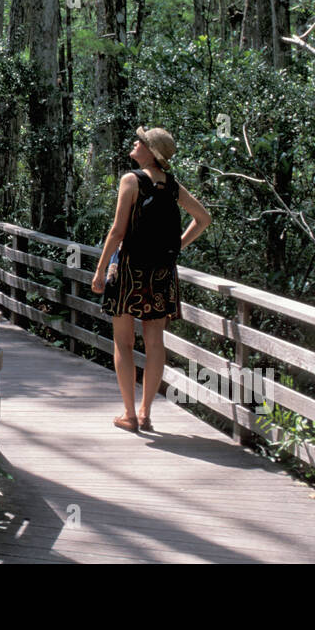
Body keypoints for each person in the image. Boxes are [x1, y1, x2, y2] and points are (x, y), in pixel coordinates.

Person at [91, 126, 212, 432]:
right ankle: (146, 413)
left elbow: (117, 232)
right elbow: (204, 218)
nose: (135, 143)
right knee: (155, 342)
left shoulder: (131, 180)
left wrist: (100, 270)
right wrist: (175, 248)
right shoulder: (172, 186)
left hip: (128, 268)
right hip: (161, 271)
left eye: (140, 141)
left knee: (124, 341)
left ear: (150, 150)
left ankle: (130, 415)